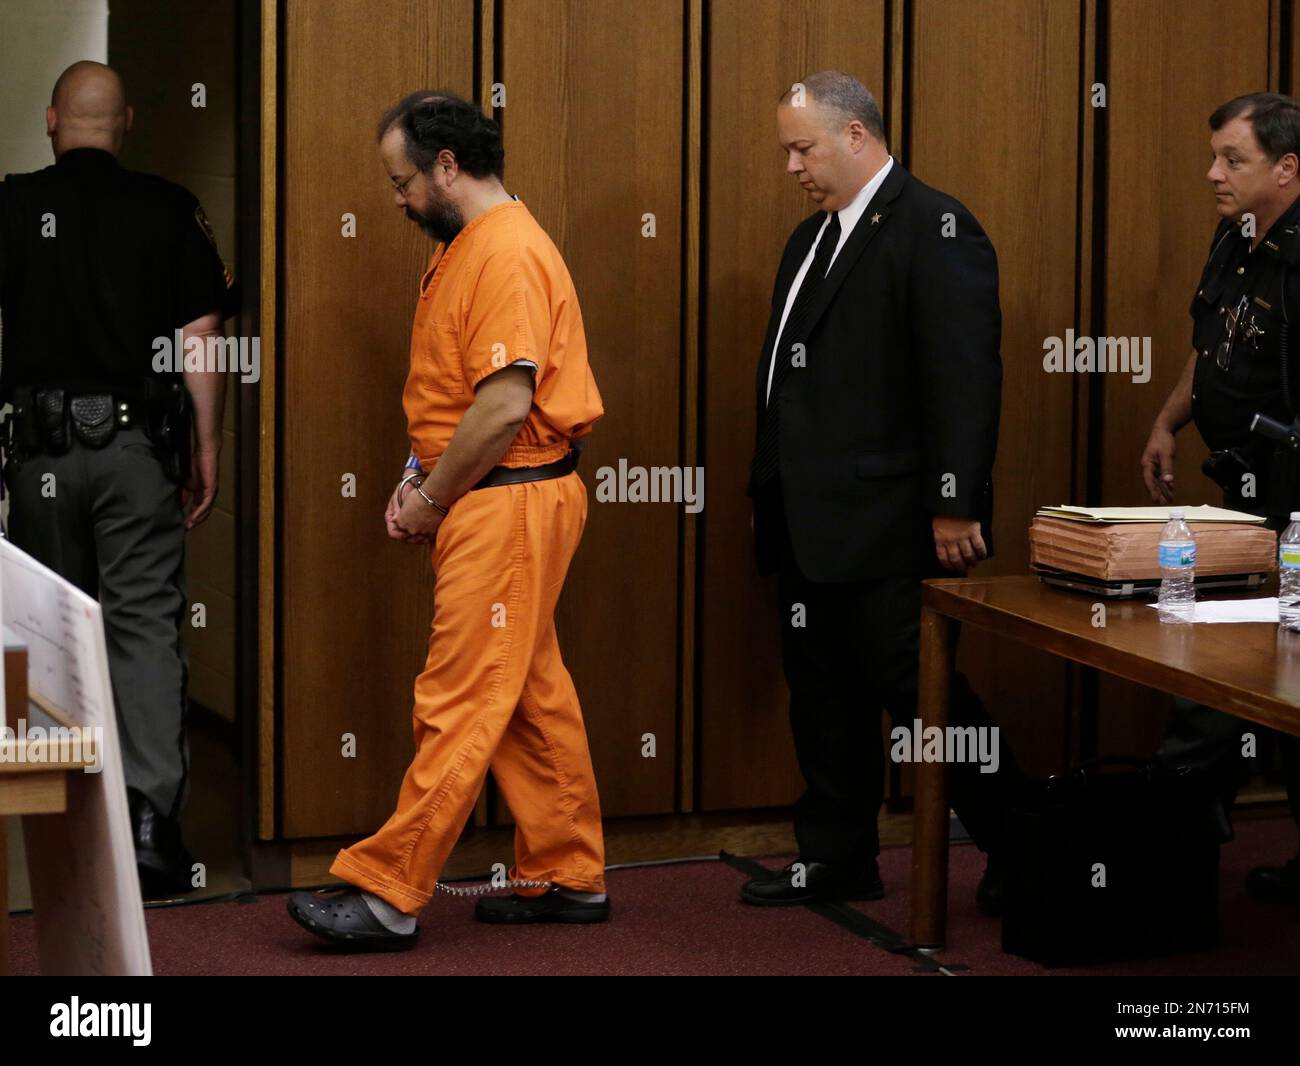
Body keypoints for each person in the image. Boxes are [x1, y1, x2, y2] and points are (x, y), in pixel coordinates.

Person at [288, 92, 607, 950]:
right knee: (529, 688)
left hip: (506, 500)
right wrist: (421, 477)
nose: (396, 200)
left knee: (459, 698)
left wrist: (430, 500)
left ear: (447, 167)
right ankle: (568, 873)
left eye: (401, 182)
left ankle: (389, 892)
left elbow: (504, 406)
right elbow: (454, 397)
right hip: (495, 495)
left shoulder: (503, 253)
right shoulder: (473, 245)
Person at [740, 71, 1022, 912]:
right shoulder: (809, 239)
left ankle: (1020, 838)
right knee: (821, 694)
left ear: (857, 136)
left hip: (893, 521)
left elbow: (965, 376)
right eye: (788, 149)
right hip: (806, 520)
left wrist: (956, 501)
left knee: (924, 693)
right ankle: (835, 856)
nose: (792, 165)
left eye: (804, 147)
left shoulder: (935, 227)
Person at [0, 61, 235, 895]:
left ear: (53, 120)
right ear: (127, 122)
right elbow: (201, 336)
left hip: (38, 459)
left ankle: (48, 837)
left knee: (39, 632)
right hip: (137, 455)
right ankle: (147, 830)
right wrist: (207, 447)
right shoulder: (168, 209)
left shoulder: (11, 205)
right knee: (144, 628)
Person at [1140, 91, 1300, 904]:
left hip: (1294, 509)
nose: (1213, 174)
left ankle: (1173, 862)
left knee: (1281, 675)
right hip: (1233, 493)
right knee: (1211, 663)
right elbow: (1210, 348)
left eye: (1232, 160)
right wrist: (1170, 421)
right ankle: (1178, 855)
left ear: (1287, 166)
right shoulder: (1234, 239)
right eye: (1214, 157)